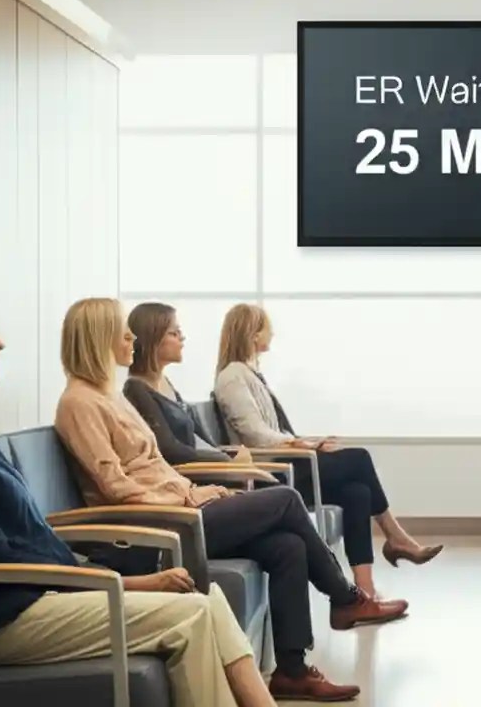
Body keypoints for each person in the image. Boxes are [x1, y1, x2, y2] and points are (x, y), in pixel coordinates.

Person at [0, 283, 279, 707]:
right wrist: (122, 584)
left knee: (206, 600)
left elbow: (29, 539)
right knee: (192, 615)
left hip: (32, 600)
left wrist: (117, 582)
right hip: (1, 622)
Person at [54, 298, 406, 701]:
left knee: (287, 546)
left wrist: (193, 490)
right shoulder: (78, 403)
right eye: (123, 331)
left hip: (179, 509)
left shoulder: (109, 396)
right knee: (286, 499)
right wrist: (186, 496)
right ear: (98, 338)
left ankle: (291, 670)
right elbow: (115, 486)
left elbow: (154, 466)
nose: (132, 338)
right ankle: (345, 598)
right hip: (157, 528)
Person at [213, 303, 441, 598]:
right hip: (274, 473)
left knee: (358, 492)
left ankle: (365, 591)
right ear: (252, 333)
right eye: (267, 327)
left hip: (286, 461)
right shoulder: (232, 377)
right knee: (359, 458)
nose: (273, 333)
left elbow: (274, 433)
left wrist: (309, 441)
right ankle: (396, 537)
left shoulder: (250, 374)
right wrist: (299, 445)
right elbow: (255, 435)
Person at [122, 302, 237, 465]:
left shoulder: (165, 383)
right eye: (174, 333)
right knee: (283, 491)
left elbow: (201, 438)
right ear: (152, 340)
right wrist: (226, 460)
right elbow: (170, 451)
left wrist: (228, 457)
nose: (181, 337)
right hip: (187, 479)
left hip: (204, 471)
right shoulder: (136, 390)